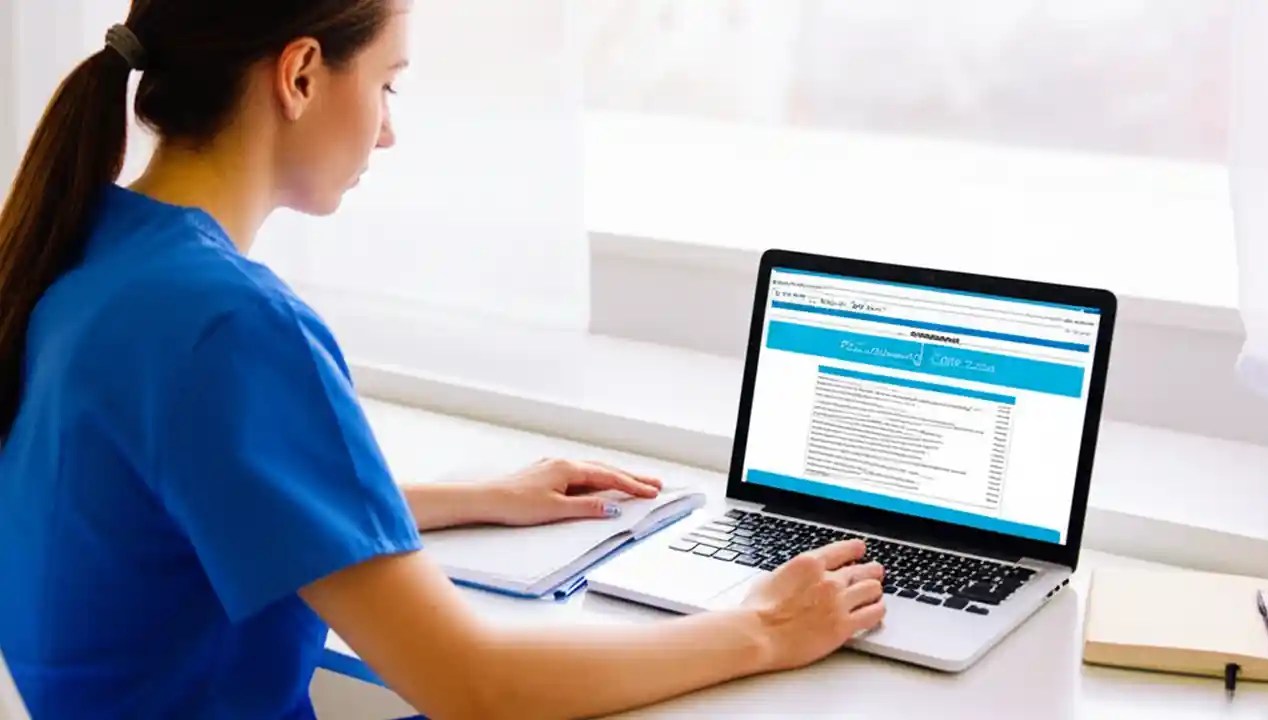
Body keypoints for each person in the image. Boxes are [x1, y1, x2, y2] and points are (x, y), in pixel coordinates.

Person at [0, 2, 887, 718]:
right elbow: (473, 685)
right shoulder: (232, 324)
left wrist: (471, 499)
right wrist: (761, 629)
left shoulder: (82, 244)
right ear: (300, 74)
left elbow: (184, 498)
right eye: (388, 84)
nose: (387, 132)